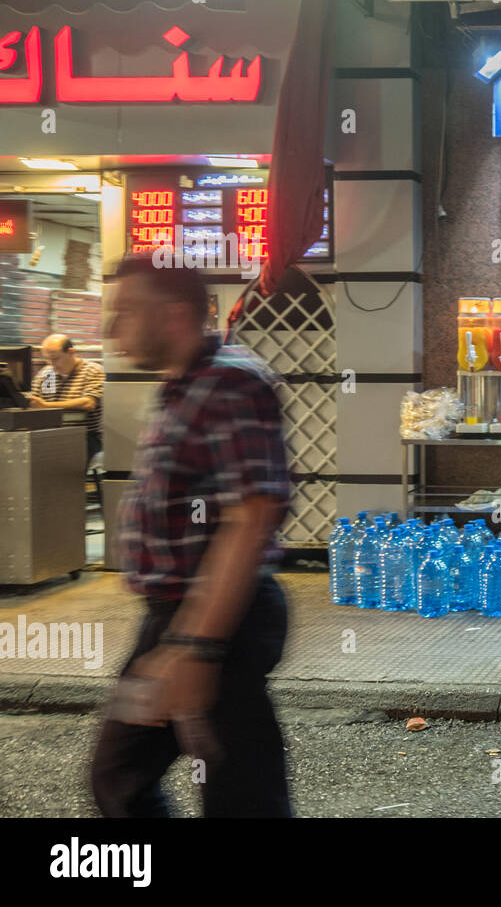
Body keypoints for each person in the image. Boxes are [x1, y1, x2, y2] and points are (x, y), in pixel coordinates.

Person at [90, 254, 292, 817]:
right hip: (175, 619)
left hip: (218, 618)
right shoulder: (185, 387)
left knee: (234, 793)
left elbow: (251, 518)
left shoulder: (229, 383)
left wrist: (195, 648)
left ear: (176, 314)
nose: (111, 329)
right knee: (122, 779)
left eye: (125, 312)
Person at [27, 333, 105, 468]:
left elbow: (88, 402)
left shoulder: (92, 370)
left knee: (56, 465)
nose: (52, 364)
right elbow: (36, 401)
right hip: (50, 435)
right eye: (47, 360)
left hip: (84, 436)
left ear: (71, 352)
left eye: (56, 359)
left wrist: (45, 405)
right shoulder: (48, 374)